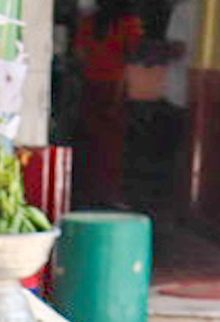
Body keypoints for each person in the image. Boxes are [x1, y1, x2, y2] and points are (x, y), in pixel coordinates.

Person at [73, 0, 144, 207]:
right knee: (112, 145)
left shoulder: (88, 22)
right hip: (115, 86)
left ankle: (88, 193)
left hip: (90, 85)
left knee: (90, 140)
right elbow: (133, 53)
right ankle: (109, 194)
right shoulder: (129, 22)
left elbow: (79, 53)